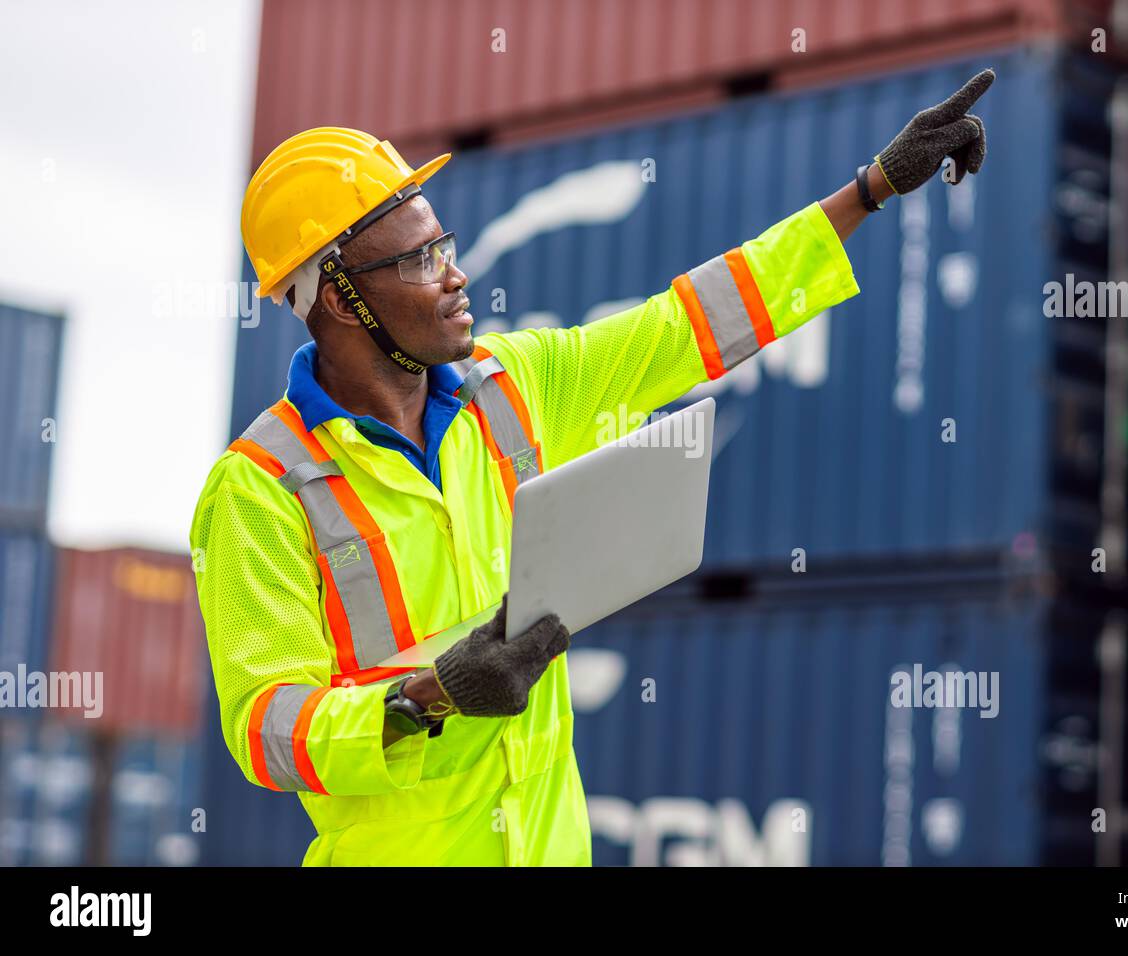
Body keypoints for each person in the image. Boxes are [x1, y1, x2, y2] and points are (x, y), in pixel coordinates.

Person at [190, 70, 994, 866]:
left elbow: (682, 326)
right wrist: (424, 696)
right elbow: (265, 730)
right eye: (419, 260)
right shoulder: (261, 490)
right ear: (339, 299)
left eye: (447, 245)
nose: (454, 273)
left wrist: (871, 188)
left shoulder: (514, 386)